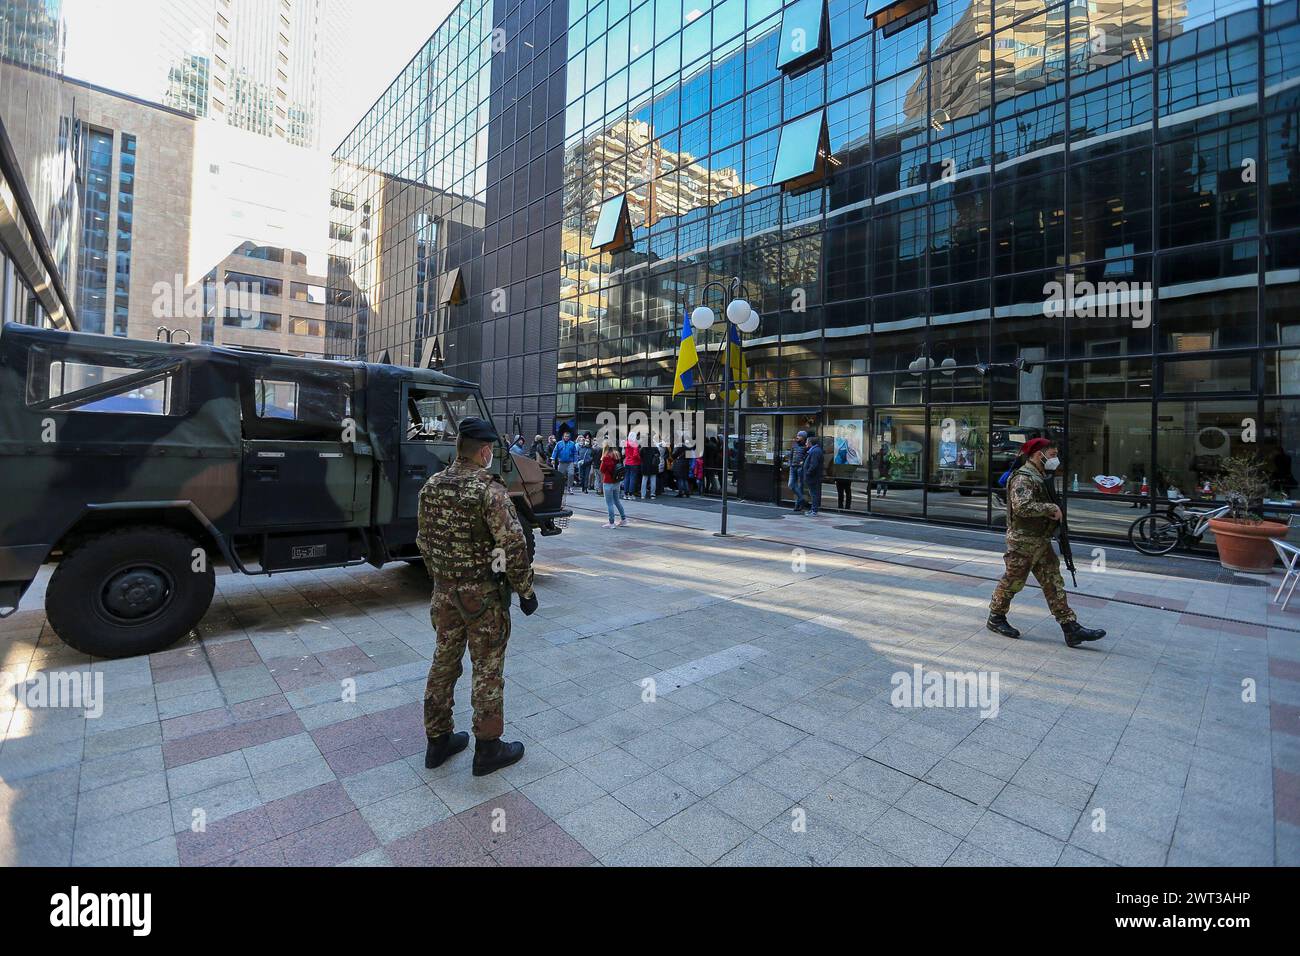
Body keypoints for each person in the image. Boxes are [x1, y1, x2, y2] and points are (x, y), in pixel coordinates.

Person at [417, 417, 535, 777]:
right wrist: (526, 591)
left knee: (444, 661)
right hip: (482, 599)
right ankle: (487, 749)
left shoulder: (431, 486)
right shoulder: (490, 490)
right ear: (485, 451)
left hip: (444, 594)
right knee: (487, 668)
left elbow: (423, 541)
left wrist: (442, 578)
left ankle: (437, 741)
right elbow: (514, 546)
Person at [987, 437, 1106, 648]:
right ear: (1037, 454)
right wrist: (1050, 508)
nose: (1055, 459)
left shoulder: (1040, 475)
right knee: (1013, 581)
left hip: (1040, 540)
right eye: (1052, 455)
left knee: (1053, 581)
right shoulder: (1024, 477)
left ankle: (1070, 628)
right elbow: (1022, 507)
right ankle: (996, 617)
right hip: (1023, 542)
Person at [599, 443, 628, 527]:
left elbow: (602, 470)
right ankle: (624, 519)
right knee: (617, 501)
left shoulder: (606, 457)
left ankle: (611, 523)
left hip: (608, 482)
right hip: (616, 481)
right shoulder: (617, 455)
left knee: (609, 503)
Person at [789, 431, 809, 513]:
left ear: (803, 437)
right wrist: (790, 464)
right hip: (793, 467)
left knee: (800, 486)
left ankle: (798, 505)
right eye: (797, 435)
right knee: (791, 484)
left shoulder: (806, 446)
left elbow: (807, 457)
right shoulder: (794, 445)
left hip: (800, 468)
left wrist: (803, 463)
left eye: (799, 436)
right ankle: (801, 499)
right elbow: (791, 455)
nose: (797, 436)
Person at [804, 436, 825, 516]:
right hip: (814, 476)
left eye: (807, 442)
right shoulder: (815, 450)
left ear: (810, 443)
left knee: (814, 494)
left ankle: (814, 510)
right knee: (813, 493)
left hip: (813, 476)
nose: (805, 443)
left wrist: (808, 473)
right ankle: (813, 509)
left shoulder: (815, 451)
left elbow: (814, 465)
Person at [623, 432, 642, 499]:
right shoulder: (634, 444)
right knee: (632, 478)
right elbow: (635, 454)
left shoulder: (626, 443)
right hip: (634, 463)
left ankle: (625, 494)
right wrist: (640, 459)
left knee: (626, 478)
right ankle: (631, 494)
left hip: (627, 462)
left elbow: (624, 453)